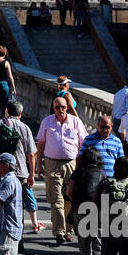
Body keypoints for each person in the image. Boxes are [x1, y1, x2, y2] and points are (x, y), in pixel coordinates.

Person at [36, 94, 87, 244]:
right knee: (56, 199)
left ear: (67, 108)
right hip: (52, 164)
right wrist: (39, 164)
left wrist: (82, 166)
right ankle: (59, 231)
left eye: (63, 107)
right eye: (57, 107)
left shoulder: (76, 122)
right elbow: (41, 145)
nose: (60, 110)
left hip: (72, 164)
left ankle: (69, 229)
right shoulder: (47, 122)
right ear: (53, 108)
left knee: (71, 198)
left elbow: (83, 144)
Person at [0, 100, 39, 245]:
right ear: (20, 113)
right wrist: (32, 174)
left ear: (7, 111)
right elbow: (31, 154)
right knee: (18, 207)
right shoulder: (25, 128)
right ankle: (18, 238)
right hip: (21, 172)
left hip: (2, 170)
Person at [67, 147, 105, 255]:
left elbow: (69, 192)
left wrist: (75, 201)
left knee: (84, 243)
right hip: (97, 211)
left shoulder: (78, 173)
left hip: (80, 209)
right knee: (97, 242)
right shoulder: (103, 174)